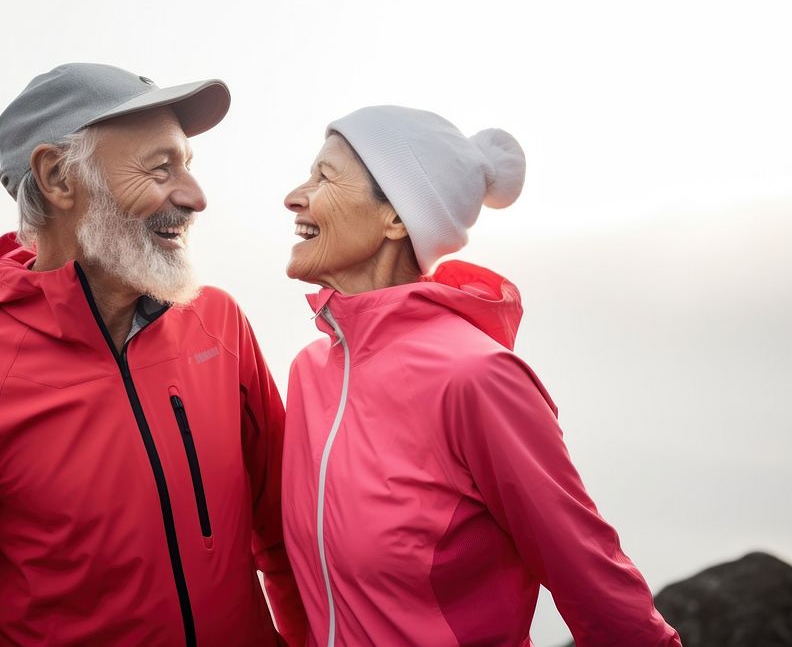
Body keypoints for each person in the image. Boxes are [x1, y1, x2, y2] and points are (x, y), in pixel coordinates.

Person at [0, 63, 306, 647]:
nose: (195, 197)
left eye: (188, 166)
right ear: (58, 177)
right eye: (160, 168)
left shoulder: (218, 322)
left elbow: (289, 540)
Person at [280, 105, 682, 646]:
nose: (294, 196)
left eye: (324, 177)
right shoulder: (309, 372)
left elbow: (589, 575)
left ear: (396, 218)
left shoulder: (478, 377)